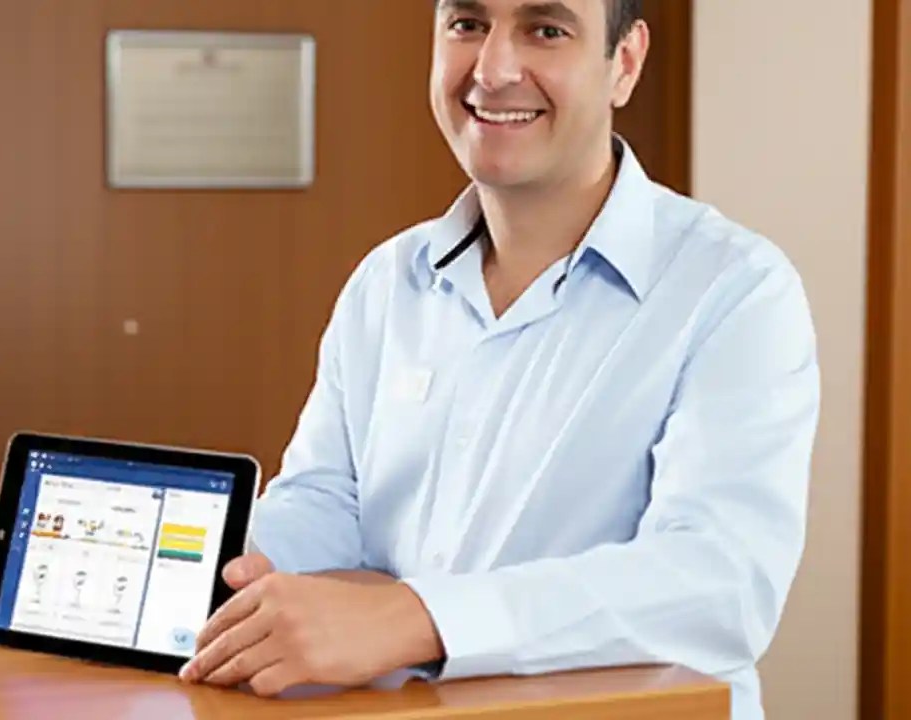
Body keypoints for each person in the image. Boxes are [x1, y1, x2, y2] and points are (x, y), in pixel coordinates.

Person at [178, 1, 820, 718]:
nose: (493, 69)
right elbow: (327, 503)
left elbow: (716, 586)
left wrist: (419, 620)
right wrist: (205, 576)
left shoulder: (735, 289)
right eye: (468, 25)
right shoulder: (389, 279)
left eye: (546, 30)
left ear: (625, 62)